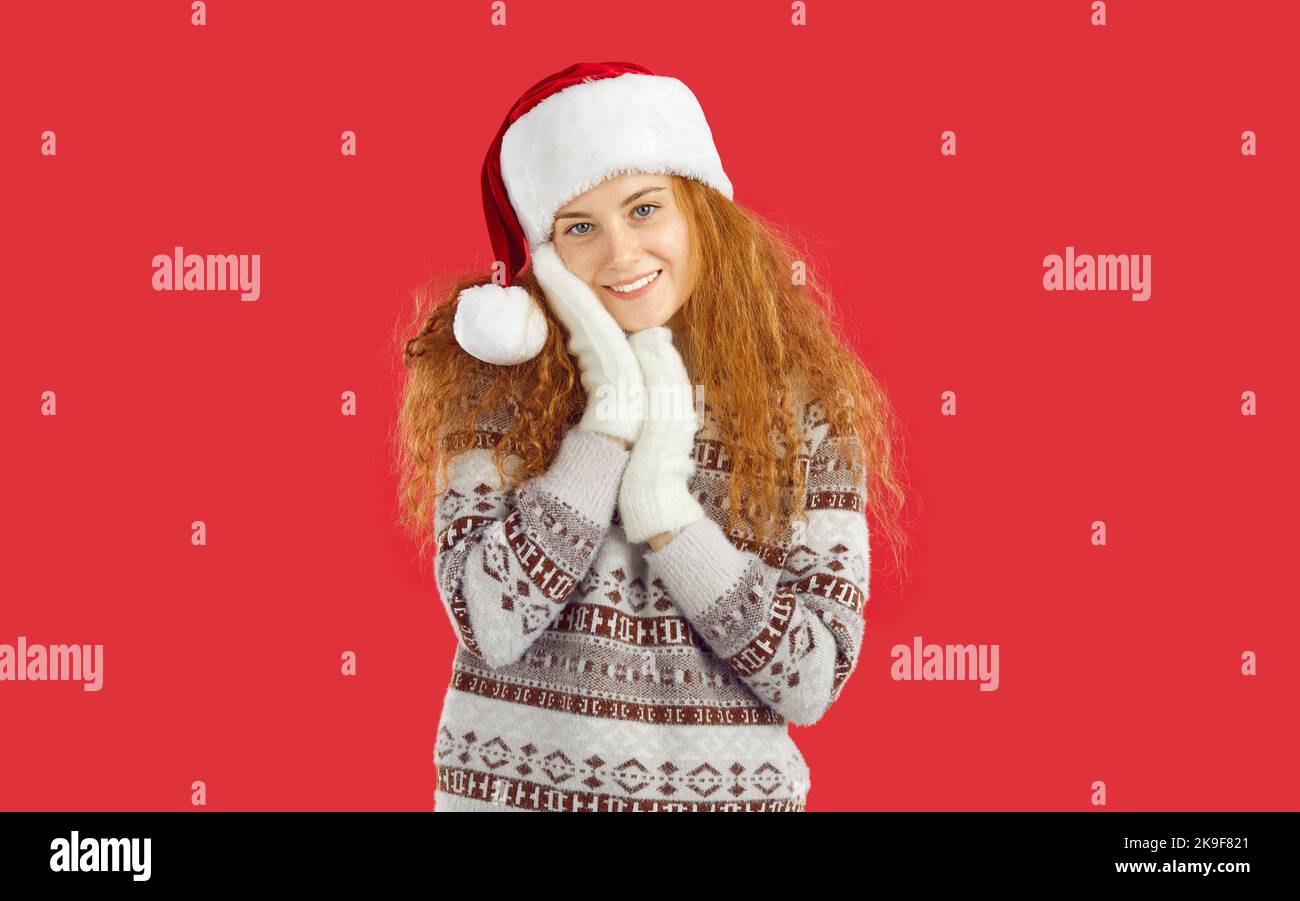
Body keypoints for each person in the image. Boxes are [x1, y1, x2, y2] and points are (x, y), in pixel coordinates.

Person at [395, 61, 909, 811]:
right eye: (579, 228)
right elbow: (491, 623)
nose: (622, 255)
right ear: (542, 256)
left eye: (643, 209)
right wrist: (605, 426)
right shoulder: (495, 387)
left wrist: (669, 518)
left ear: (699, 208)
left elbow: (808, 680)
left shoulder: (808, 408)